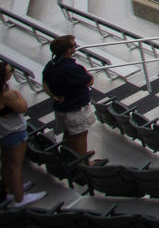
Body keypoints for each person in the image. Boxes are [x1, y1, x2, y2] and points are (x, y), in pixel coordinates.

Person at [42, 35, 101, 165]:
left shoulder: (51, 65)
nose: (75, 46)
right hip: (75, 109)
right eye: (73, 45)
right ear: (68, 50)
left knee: (70, 134)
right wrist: (89, 76)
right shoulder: (72, 68)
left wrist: (53, 96)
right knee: (80, 135)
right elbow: (89, 81)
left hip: (61, 108)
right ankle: (83, 165)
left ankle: (73, 159)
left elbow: (44, 83)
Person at [1, 60, 44, 207]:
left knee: (7, 163)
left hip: (4, 132)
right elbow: (23, 107)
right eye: (9, 71)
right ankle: (20, 197)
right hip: (13, 132)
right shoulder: (7, 94)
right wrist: (17, 94)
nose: (11, 73)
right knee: (15, 165)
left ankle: (12, 189)